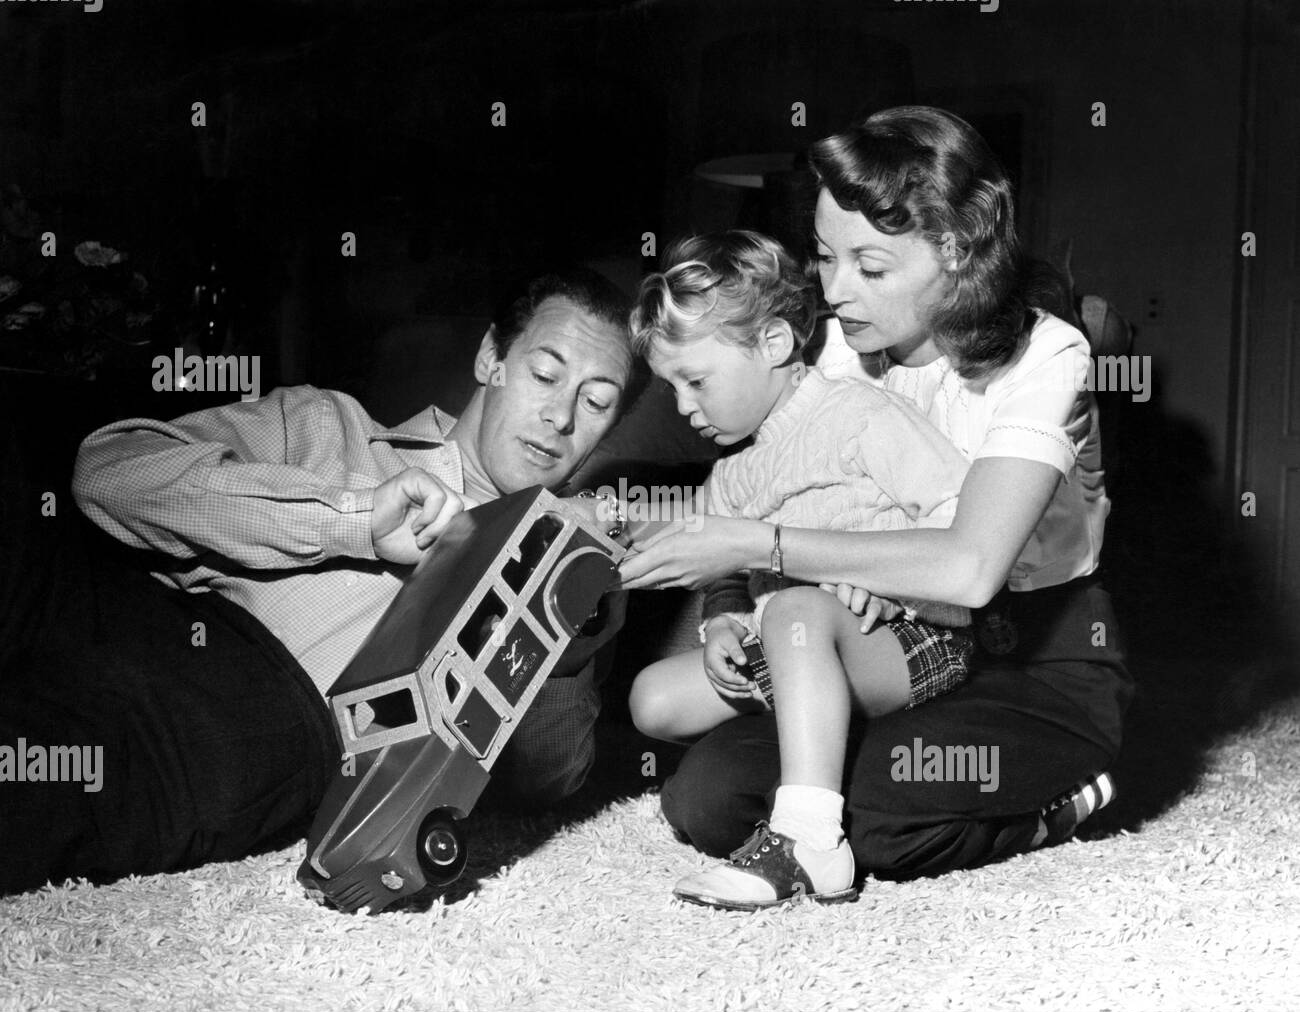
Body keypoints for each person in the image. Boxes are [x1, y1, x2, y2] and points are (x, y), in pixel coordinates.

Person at [617, 106, 1133, 896]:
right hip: (879, 644)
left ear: (955, 251)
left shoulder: (1046, 355)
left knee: (878, 814)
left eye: (872, 266)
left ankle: (1057, 804)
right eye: (825, 257)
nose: (836, 291)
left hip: (1035, 662)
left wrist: (760, 545)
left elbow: (967, 568)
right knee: (707, 797)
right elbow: (715, 405)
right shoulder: (836, 346)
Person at [0, 268, 639, 897]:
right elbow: (107, 473)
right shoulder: (325, 423)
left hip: (245, 710)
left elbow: (545, 782)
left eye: (596, 401)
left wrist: (563, 615)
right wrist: (353, 518)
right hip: (100, 589)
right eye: (546, 374)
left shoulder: (573, 571)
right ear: (490, 358)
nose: (560, 415)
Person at [625, 230, 975, 910]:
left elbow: (961, 522)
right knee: (653, 698)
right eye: (671, 387)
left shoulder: (860, 415)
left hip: (914, 637)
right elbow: (724, 571)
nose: (683, 406)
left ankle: (810, 840)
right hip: (794, 644)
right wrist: (724, 619)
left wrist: (884, 582)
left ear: (776, 345)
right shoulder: (728, 475)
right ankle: (806, 742)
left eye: (696, 380)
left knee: (794, 610)